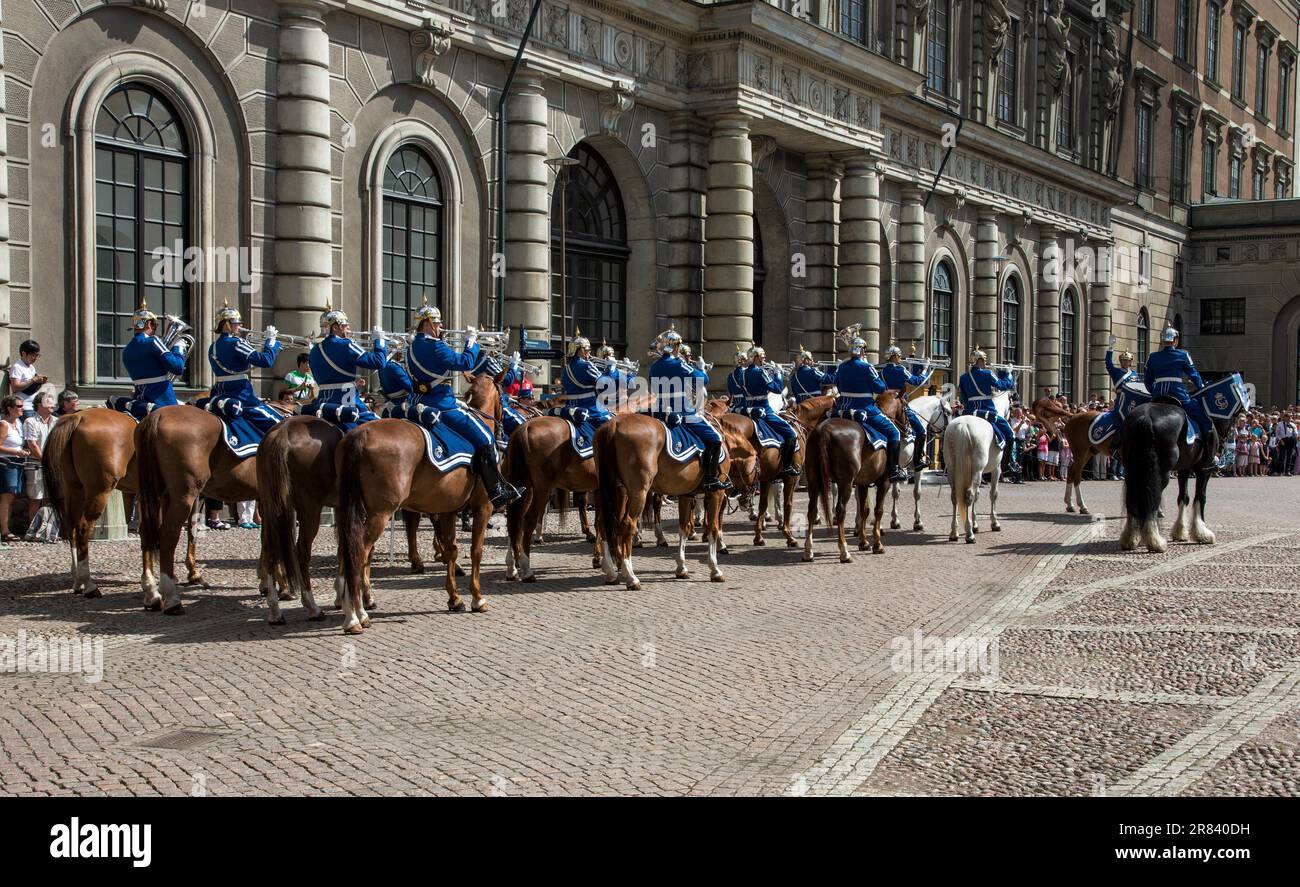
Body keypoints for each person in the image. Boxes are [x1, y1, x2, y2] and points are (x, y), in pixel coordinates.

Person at [404, 300, 520, 508]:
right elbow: (465, 363)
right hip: (442, 404)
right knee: (485, 436)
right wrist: (471, 342)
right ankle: (495, 492)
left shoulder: (411, 347)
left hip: (418, 401)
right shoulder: (435, 346)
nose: (441, 327)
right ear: (428, 324)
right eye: (438, 323)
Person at [646, 328, 730, 491]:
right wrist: (701, 368)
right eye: (677, 345)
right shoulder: (678, 364)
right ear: (673, 347)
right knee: (716, 438)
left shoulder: (654, 366)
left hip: (660, 412)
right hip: (684, 412)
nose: (679, 349)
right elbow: (702, 380)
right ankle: (711, 478)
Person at [833, 336, 909, 483]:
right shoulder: (867, 367)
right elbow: (880, 388)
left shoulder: (841, 366)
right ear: (862, 350)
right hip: (865, 409)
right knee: (894, 433)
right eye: (865, 350)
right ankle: (894, 470)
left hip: (842, 409)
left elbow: (838, 385)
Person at [207, 304, 284, 437]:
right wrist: (270, 342)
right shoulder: (237, 343)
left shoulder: (212, 347)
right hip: (241, 394)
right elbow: (266, 361)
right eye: (236, 323)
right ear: (226, 324)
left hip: (221, 392)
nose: (240, 326)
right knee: (281, 425)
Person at [307, 306, 388, 430]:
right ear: (335, 327)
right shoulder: (346, 344)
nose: (348, 328)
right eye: (345, 325)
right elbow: (379, 362)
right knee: (382, 429)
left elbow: (332, 376)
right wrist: (379, 341)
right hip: (348, 401)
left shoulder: (314, 350)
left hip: (322, 403)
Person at [1144, 326, 1211, 446]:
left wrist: (1153, 391)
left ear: (1162, 340)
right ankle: (1208, 444)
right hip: (1177, 392)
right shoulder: (1183, 354)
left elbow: (1147, 381)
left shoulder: (1152, 357)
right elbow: (1193, 374)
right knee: (1201, 415)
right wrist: (1201, 387)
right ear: (1176, 340)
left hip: (1158, 393)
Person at [741, 346, 800, 478]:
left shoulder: (742, 373)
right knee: (792, 433)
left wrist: (770, 374)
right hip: (764, 410)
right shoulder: (761, 372)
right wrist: (778, 374)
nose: (764, 359)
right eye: (762, 357)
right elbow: (777, 389)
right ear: (756, 358)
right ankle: (787, 466)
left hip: (747, 410)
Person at [958, 347, 1017, 470]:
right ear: (979, 361)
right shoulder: (987, 374)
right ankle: (1007, 464)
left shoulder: (963, 377)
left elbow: (963, 397)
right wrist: (1009, 374)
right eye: (984, 361)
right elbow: (1003, 385)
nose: (985, 364)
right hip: (987, 410)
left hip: (969, 411)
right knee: (1010, 434)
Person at [122, 302, 188, 410]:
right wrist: (178, 347)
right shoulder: (153, 341)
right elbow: (177, 368)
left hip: (141, 400)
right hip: (163, 400)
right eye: (154, 325)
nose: (154, 328)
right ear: (148, 324)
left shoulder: (126, 350)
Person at [880, 344, 934, 469]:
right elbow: (917, 381)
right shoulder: (900, 370)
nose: (900, 358)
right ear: (893, 357)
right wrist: (925, 369)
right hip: (899, 404)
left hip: (884, 406)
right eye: (899, 356)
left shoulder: (881, 372)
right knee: (921, 431)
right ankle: (917, 460)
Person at [554, 329, 611, 430]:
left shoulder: (567, 368)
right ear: (582, 350)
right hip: (591, 411)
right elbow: (606, 384)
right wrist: (611, 369)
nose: (589, 353)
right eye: (588, 350)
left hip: (571, 409)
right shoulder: (586, 365)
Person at [0, 395, 26, 542]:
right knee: (7, 496)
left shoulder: (19, 424)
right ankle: (4, 531)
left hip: (17, 462)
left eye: (22, 406)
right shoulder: (4, 424)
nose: (22, 409)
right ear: (10, 409)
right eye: (19, 406)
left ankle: (6, 528)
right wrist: (16, 452)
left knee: (11, 496)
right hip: (7, 462)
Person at [6, 340, 47, 420]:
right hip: (25, 408)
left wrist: (40, 382)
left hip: (34, 406)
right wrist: (33, 380)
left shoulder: (31, 367)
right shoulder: (17, 367)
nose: (35, 358)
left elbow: (31, 384)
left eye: (37, 355)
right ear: (24, 353)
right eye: (33, 355)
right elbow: (15, 387)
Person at [726, 345, 749, 411]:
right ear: (742, 361)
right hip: (747, 404)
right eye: (745, 360)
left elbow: (730, 393)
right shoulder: (747, 373)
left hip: (735, 405)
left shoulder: (730, 375)